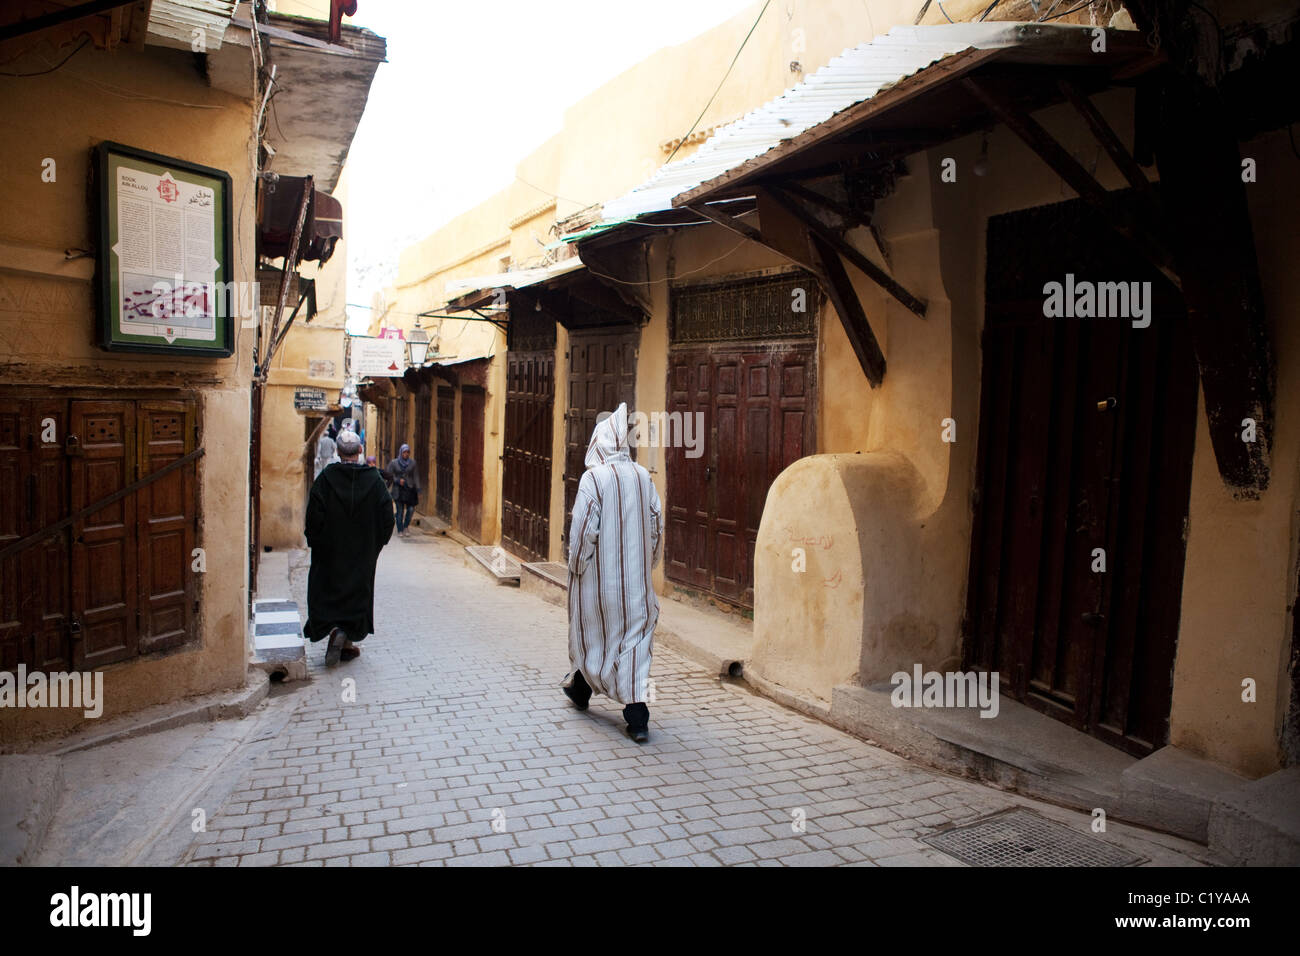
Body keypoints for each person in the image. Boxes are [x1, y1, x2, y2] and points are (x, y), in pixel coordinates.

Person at [562, 403, 663, 743]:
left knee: (596, 637)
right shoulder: (643, 475)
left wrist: (576, 565)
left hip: (598, 585)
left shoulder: (594, 479)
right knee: (634, 644)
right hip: (636, 587)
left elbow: (583, 530)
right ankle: (637, 718)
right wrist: (647, 566)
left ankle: (581, 688)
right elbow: (655, 526)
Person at [303, 429, 395, 665]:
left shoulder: (325, 478)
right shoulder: (374, 480)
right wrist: (376, 544)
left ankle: (340, 636)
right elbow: (388, 517)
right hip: (362, 554)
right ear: (360, 450)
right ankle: (345, 637)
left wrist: (316, 541)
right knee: (357, 593)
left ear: (337, 450)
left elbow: (313, 516)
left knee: (329, 590)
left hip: (330, 552)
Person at [385, 443, 420, 537]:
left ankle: (406, 526)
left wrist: (418, 487)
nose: (406, 454)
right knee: (400, 511)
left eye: (408, 452)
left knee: (411, 509)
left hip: (410, 490)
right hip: (398, 490)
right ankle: (400, 529)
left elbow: (415, 475)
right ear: (401, 452)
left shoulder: (413, 463)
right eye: (404, 452)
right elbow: (388, 475)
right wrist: (396, 480)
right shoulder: (394, 463)